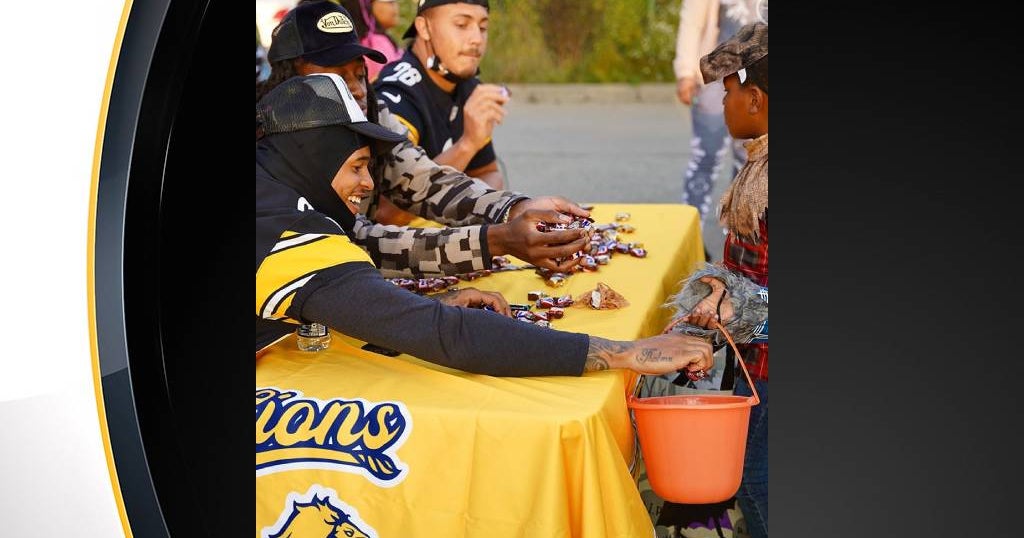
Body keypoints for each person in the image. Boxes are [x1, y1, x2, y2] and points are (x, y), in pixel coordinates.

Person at [256, 73, 716, 382]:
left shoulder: (271, 191)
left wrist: (427, 301)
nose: (369, 185)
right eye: (357, 166)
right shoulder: (290, 231)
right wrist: (624, 353)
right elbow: (448, 336)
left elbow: (357, 275)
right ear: (312, 159)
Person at [257, 1, 590, 278]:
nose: (356, 90)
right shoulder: (274, 148)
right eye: (334, 79)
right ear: (287, 83)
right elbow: (360, 242)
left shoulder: (370, 112)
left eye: (359, 74)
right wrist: (497, 240)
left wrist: (514, 207)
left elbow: (425, 181)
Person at [681, 22, 768, 538]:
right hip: (753, 364)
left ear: (754, 99)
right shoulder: (758, 164)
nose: (723, 102)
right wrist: (716, 295)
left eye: (728, 91)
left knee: (756, 485)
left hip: (769, 376)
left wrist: (736, 310)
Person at [374, 0, 507, 191]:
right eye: (461, 25)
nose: (477, 39)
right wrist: (468, 144)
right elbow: (391, 203)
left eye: (483, 27)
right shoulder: (395, 96)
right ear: (424, 28)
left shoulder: (469, 87)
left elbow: (488, 172)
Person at [673, 0, 759, 262]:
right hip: (715, 79)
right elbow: (692, 21)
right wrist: (686, 73)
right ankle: (689, 238)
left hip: (758, 81)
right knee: (706, 158)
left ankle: (742, 241)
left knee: (751, 163)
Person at [338, 0, 403, 82]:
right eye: (390, 2)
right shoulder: (376, 43)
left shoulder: (347, 44)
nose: (396, 6)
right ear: (367, 5)